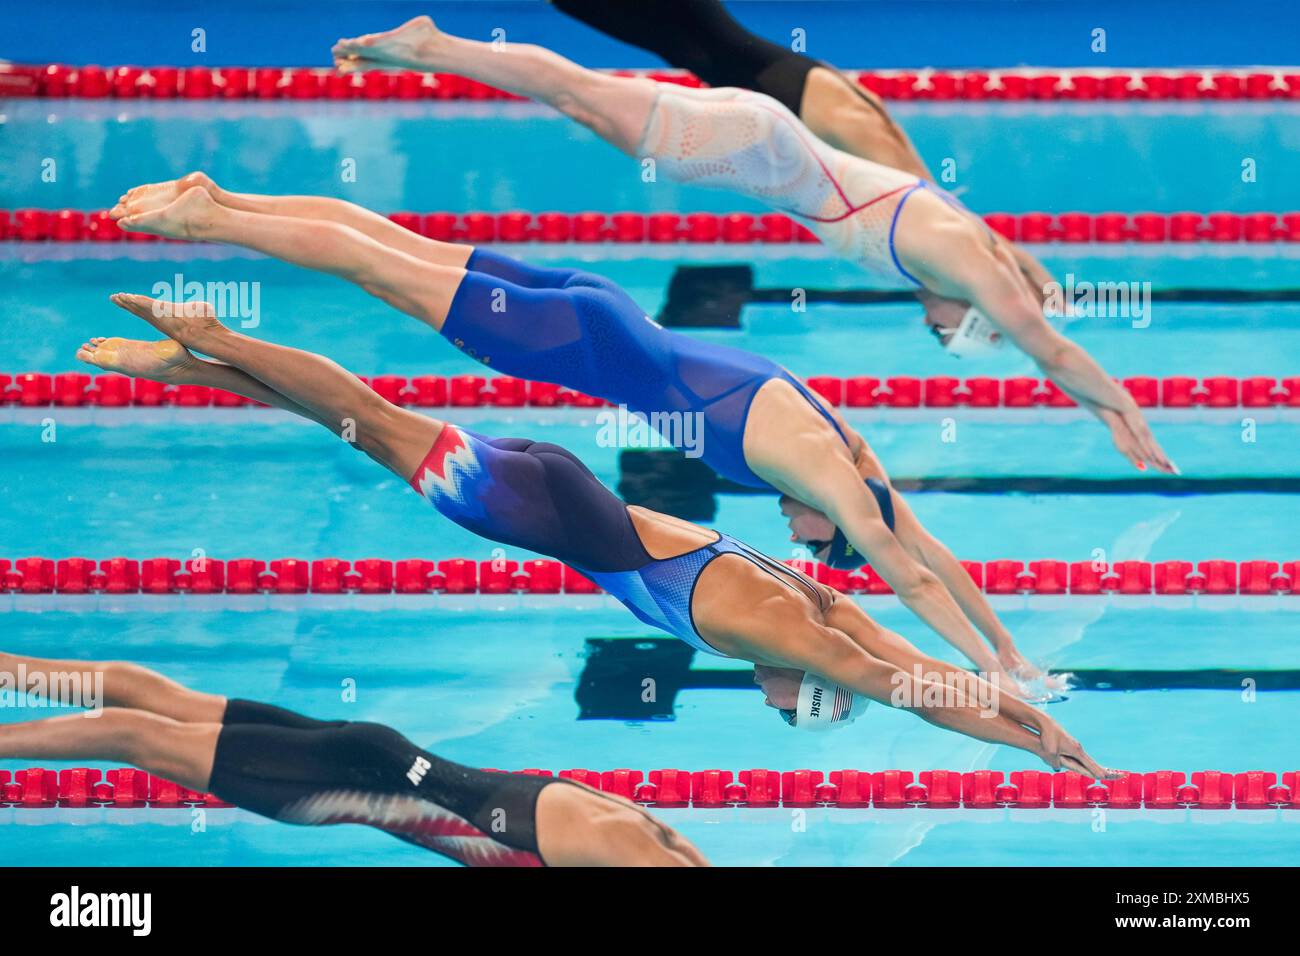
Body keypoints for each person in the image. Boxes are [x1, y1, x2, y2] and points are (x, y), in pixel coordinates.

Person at [71, 291, 1115, 779]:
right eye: (787, 706)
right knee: (374, 422)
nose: (765, 696)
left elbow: (904, 657)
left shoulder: (812, 602)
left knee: (371, 424)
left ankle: (192, 368)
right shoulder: (798, 638)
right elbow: (917, 692)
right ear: (812, 684)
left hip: (562, 480)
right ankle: (221, 341)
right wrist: (1040, 742)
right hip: (537, 511)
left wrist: (1031, 720)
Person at [109, 171, 1048, 691]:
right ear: (834, 523)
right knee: (377, 269)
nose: (798, 537)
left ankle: (227, 203)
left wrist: (1006, 651)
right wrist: (980, 673)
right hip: (571, 342)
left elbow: (924, 546)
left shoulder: (847, 450)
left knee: (394, 248)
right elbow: (910, 568)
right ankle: (208, 220)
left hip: (604, 313)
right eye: (817, 539)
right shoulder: (834, 485)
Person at [329, 16, 1178, 475]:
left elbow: (1029, 312)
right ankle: (431, 47)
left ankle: (434, 50)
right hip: (753, 147)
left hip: (756, 149)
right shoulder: (958, 261)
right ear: (974, 312)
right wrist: (1118, 409)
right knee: (579, 94)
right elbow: (1048, 345)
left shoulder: (953, 254)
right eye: (943, 330)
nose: (931, 324)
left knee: (585, 103)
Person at [0, 650, 707, 866]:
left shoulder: (661, 839)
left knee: (155, 699)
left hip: (367, 750)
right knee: (130, 733)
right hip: (330, 782)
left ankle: (9, 669)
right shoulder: (635, 856)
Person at [546, 0, 1057, 291]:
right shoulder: (867, 134)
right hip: (775, 79)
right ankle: (1028, 275)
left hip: (767, 77)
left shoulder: (865, 130)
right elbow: (957, 222)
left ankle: (1029, 275)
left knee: (932, 199)